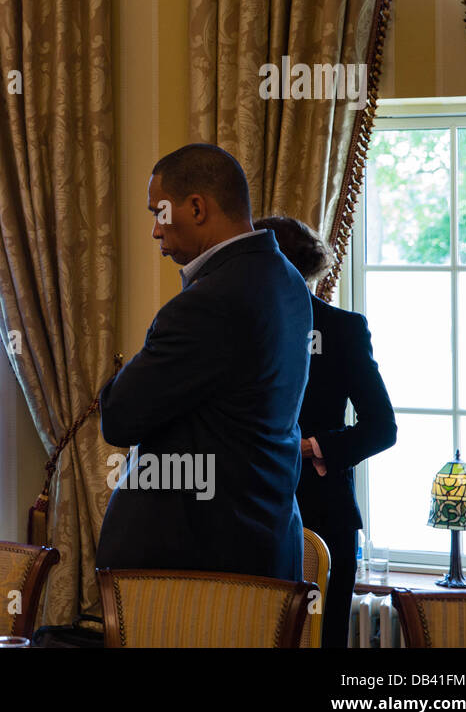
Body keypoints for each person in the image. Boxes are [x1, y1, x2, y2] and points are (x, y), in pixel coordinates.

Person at [96, 144, 309, 581]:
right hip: (264, 540)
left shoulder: (209, 302)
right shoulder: (286, 279)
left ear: (196, 207)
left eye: (159, 212)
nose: (155, 230)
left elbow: (118, 417)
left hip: (195, 564)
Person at [254, 215, 396, 647]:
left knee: (323, 640)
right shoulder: (231, 327)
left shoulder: (342, 330)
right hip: (248, 513)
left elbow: (381, 427)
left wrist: (313, 446)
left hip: (323, 516)